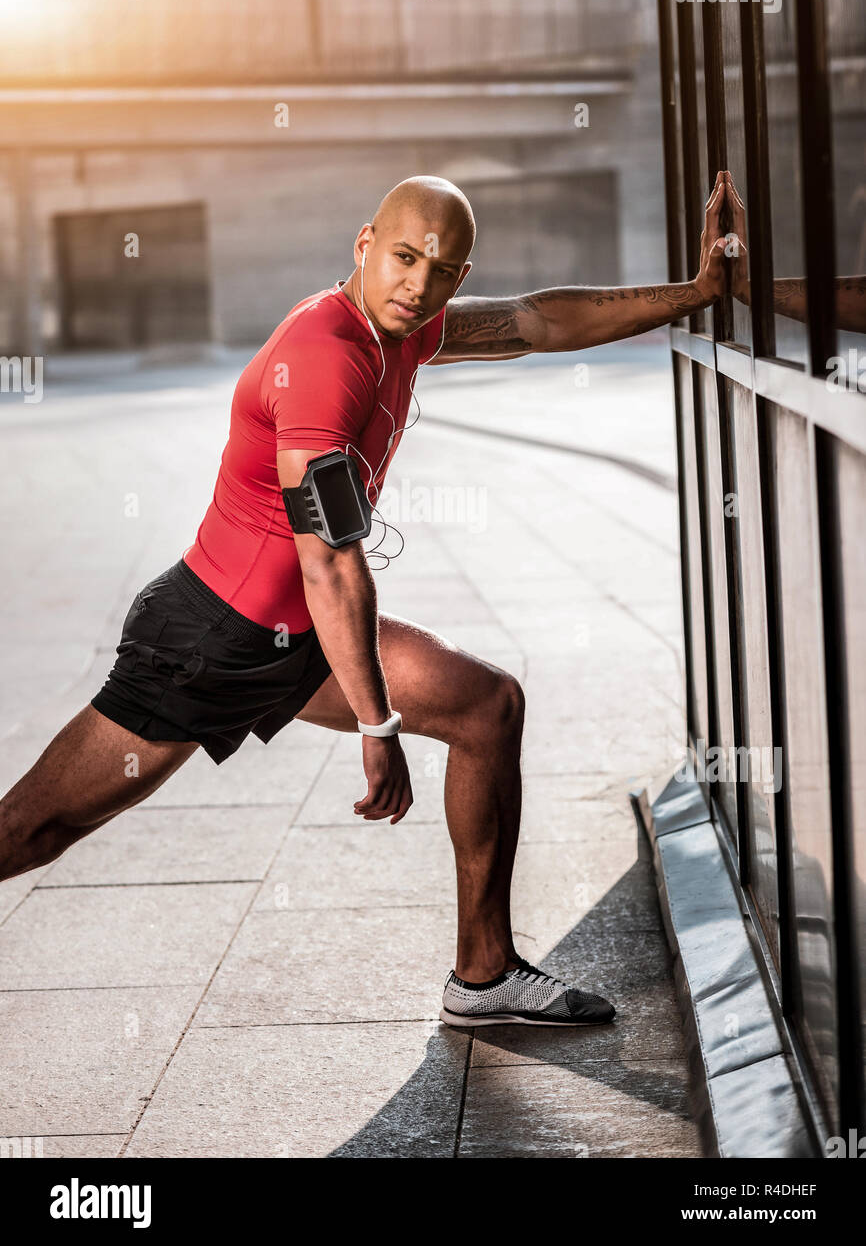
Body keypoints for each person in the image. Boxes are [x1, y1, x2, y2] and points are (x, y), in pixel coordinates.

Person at [0, 172, 728, 1027]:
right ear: (364, 245)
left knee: (487, 708)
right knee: (37, 830)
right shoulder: (326, 357)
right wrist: (378, 728)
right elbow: (332, 565)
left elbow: (538, 320)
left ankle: (483, 976)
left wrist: (699, 291)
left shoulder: (408, 328)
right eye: (405, 257)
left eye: (444, 270)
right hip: (208, 638)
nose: (420, 284)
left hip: (295, 634)